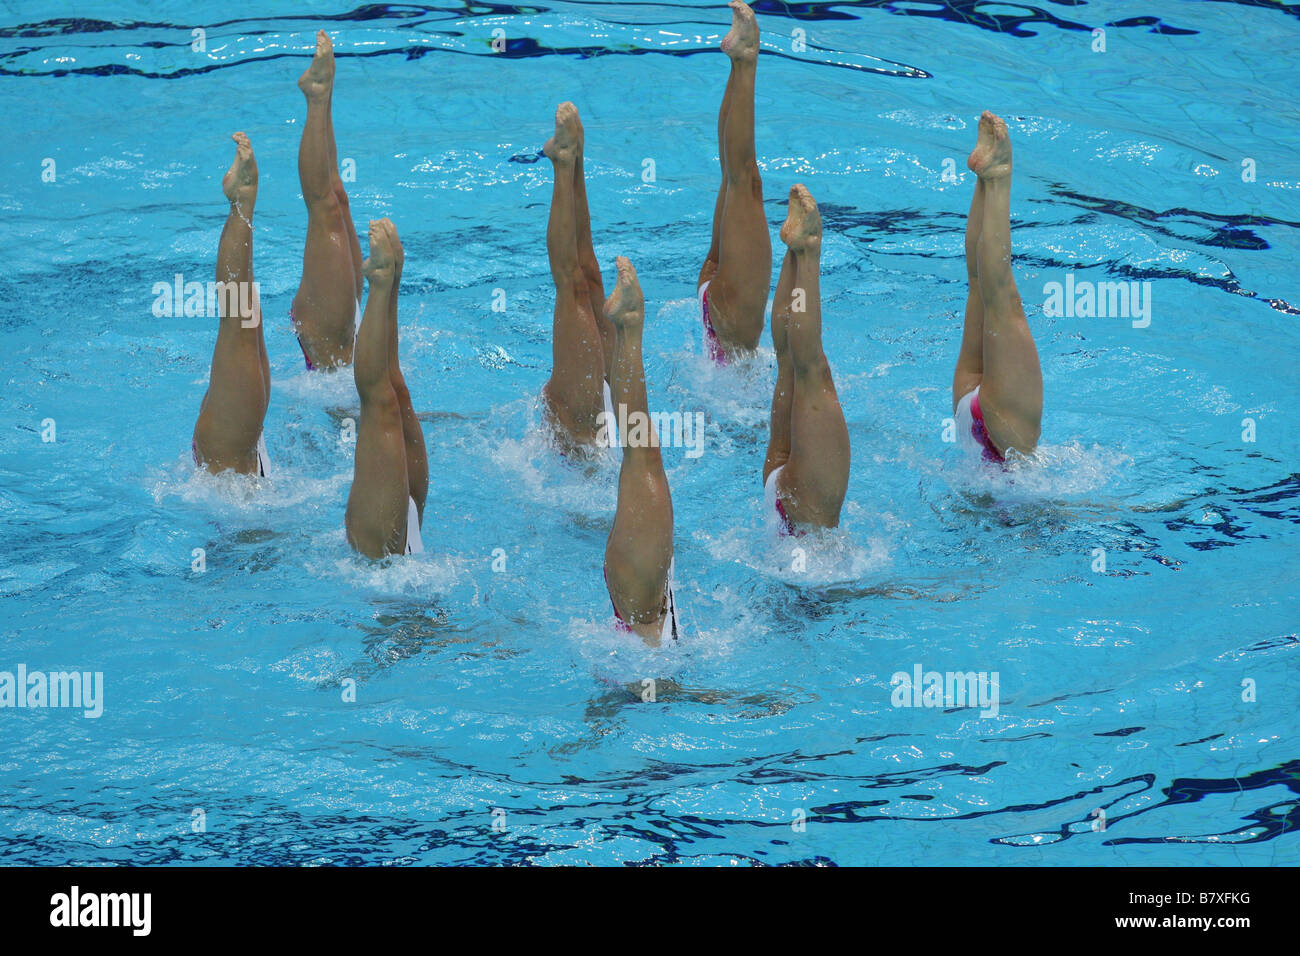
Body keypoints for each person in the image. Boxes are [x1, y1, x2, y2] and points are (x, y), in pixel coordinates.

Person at [951, 111, 1043, 462]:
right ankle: (986, 180)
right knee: (982, 287)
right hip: (967, 425)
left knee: (999, 295)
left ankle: (997, 176)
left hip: (1005, 438)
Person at [761, 185, 850, 533]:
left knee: (808, 370)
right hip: (778, 495)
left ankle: (805, 252)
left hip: (802, 513)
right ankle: (798, 253)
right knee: (795, 365)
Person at [602, 257, 679, 646]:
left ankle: (629, 330)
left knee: (643, 454)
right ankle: (626, 330)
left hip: (644, 620)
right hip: (640, 611)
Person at [344, 219, 429, 558]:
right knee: (389, 394)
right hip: (405, 553)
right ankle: (386, 283)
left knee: (385, 398)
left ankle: (385, 283)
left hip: (399, 554)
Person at [695, 0, 771, 363]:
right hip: (712, 306)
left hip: (732, 326)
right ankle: (738, 62)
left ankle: (745, 60)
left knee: (743, 182)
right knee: (733, 178)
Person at [192, 132, 271, 477]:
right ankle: (241, 204)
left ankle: (242, 203)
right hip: (232, 469)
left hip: (228, 467)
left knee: (241, 319)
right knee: (245, 317)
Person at [539, 102, 615, 452]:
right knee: (585, 278)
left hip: (586, 435)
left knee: (577, 283)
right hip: (613, 424)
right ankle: (571, 160)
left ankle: (566, 162)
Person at [290, 30, 364, 370]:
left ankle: (319, 97)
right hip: (348, 343)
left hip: (330, 355)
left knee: (327, 210)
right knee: (336, 199)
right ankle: (321, 94)